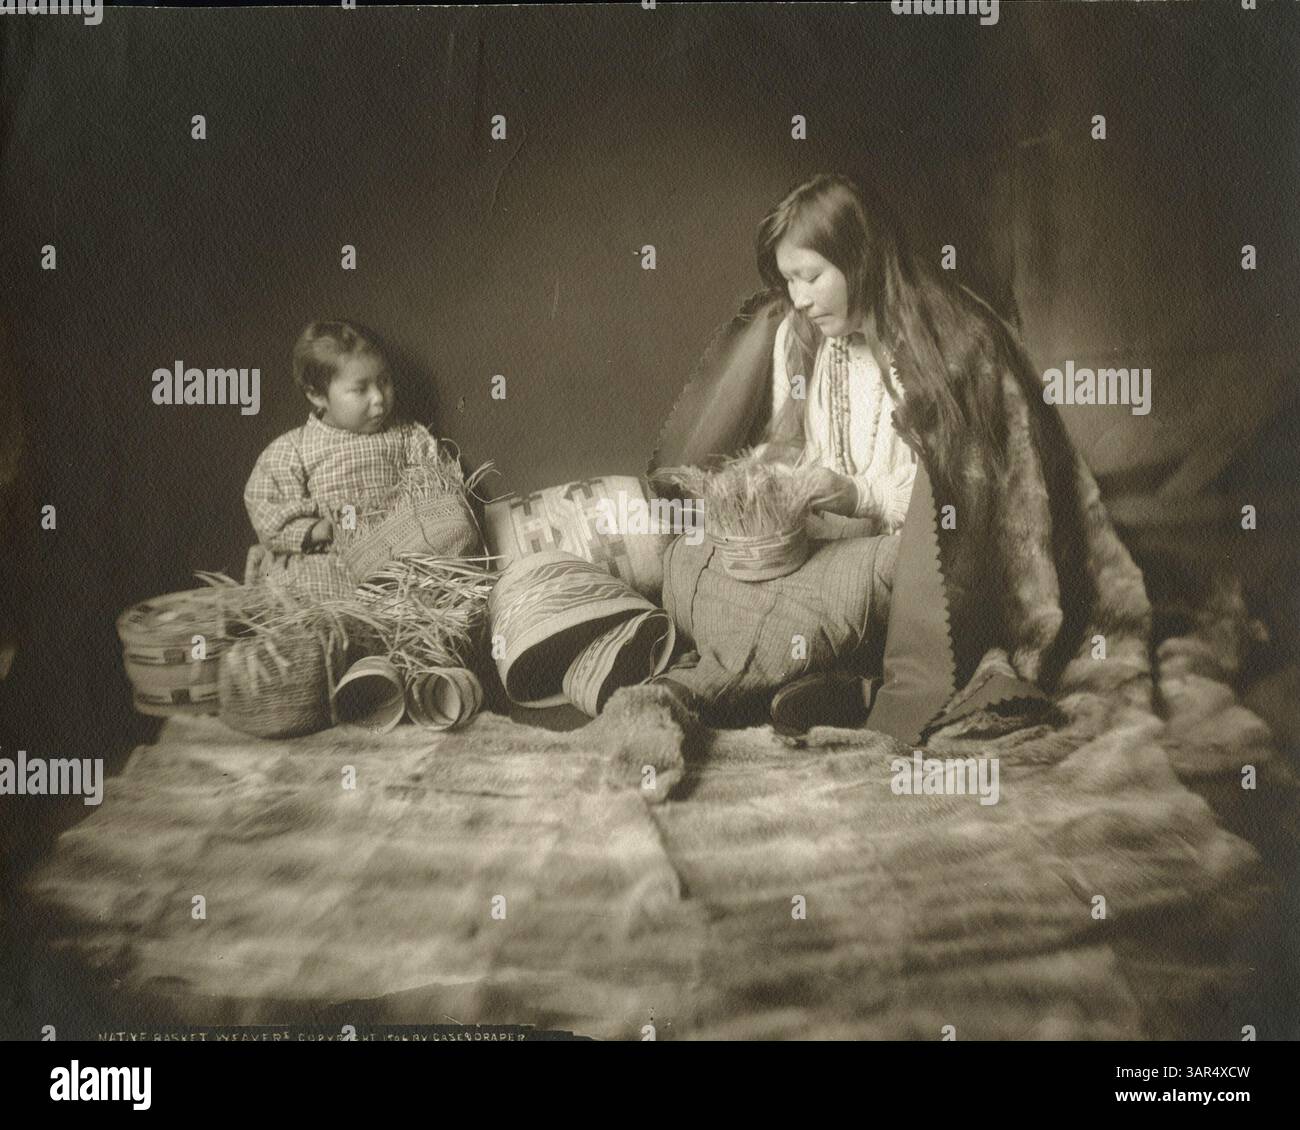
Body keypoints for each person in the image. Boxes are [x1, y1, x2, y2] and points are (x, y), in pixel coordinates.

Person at [651, 173, 1116, 736]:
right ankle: (828, 683)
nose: (797, 297)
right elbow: (797, 445)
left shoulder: (946, 347)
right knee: (686, 556)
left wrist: (854, 494)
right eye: (789, 279)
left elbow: (956, 516)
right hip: (837, 546)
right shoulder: (801, 336)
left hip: (918, 565)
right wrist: (779, 489)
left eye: (811, 277)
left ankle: (746, 686)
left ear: (861, 259)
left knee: (817, 598)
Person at [243, 319, 442, 602]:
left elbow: (435, 481)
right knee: (288, 578)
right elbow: (267, 511)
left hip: (399, 548)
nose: (379, 398)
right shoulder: (292, 450)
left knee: (453, 529)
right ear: (317, 395)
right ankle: (355, 614)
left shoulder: (407, 435)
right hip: (334, 561)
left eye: (384, 381)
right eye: (360, 389)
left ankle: (398, 601)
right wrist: (315, 530)